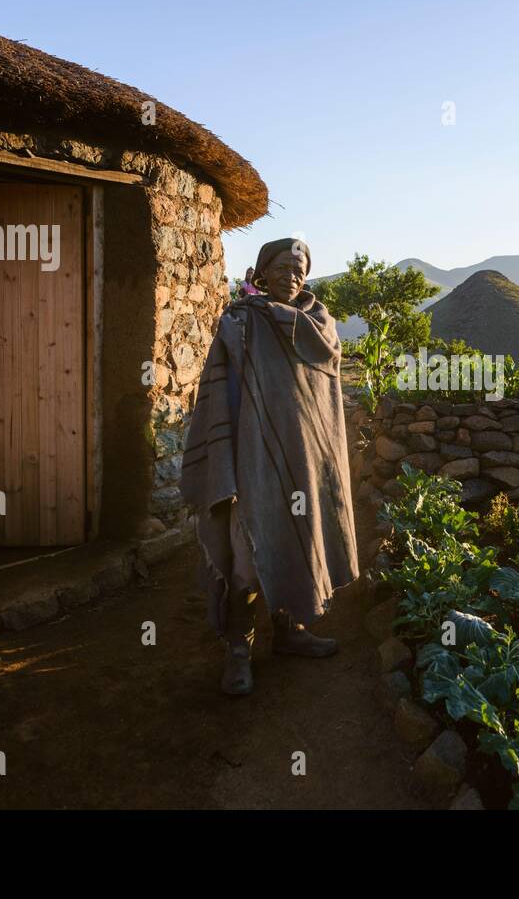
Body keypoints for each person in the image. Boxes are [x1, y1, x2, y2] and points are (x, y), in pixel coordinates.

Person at [179, 237, 359, 695]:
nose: (291, 275)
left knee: (293, 543)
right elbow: (219, 391)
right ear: (262, 271)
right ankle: (239, 650)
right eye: (281, 266)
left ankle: (292, 634)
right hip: (252, 459)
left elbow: (324, 405)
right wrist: (226, 460)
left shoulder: (321, 326)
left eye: (299, 268)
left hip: (304, 463)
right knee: (247, 556)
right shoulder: (240, 322)